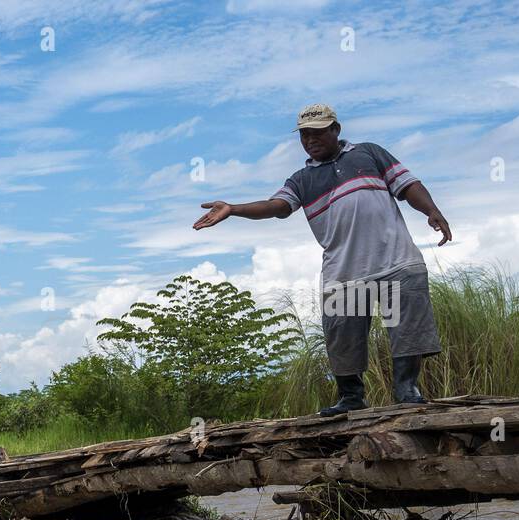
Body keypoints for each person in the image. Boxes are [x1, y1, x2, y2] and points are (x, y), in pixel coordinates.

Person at [192, 104, 451, 416]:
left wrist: (431, 210)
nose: (310, 140)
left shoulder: (369, 153)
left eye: (317, 132)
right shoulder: (301, 179)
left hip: (395, 261)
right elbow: (276, 206)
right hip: (343, 272)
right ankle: (351, 398)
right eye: (304, 135)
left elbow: (408, 185)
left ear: (336, 130)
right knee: (342, 335)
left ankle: (407, 389)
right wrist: (233, 209)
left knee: (406, 327)